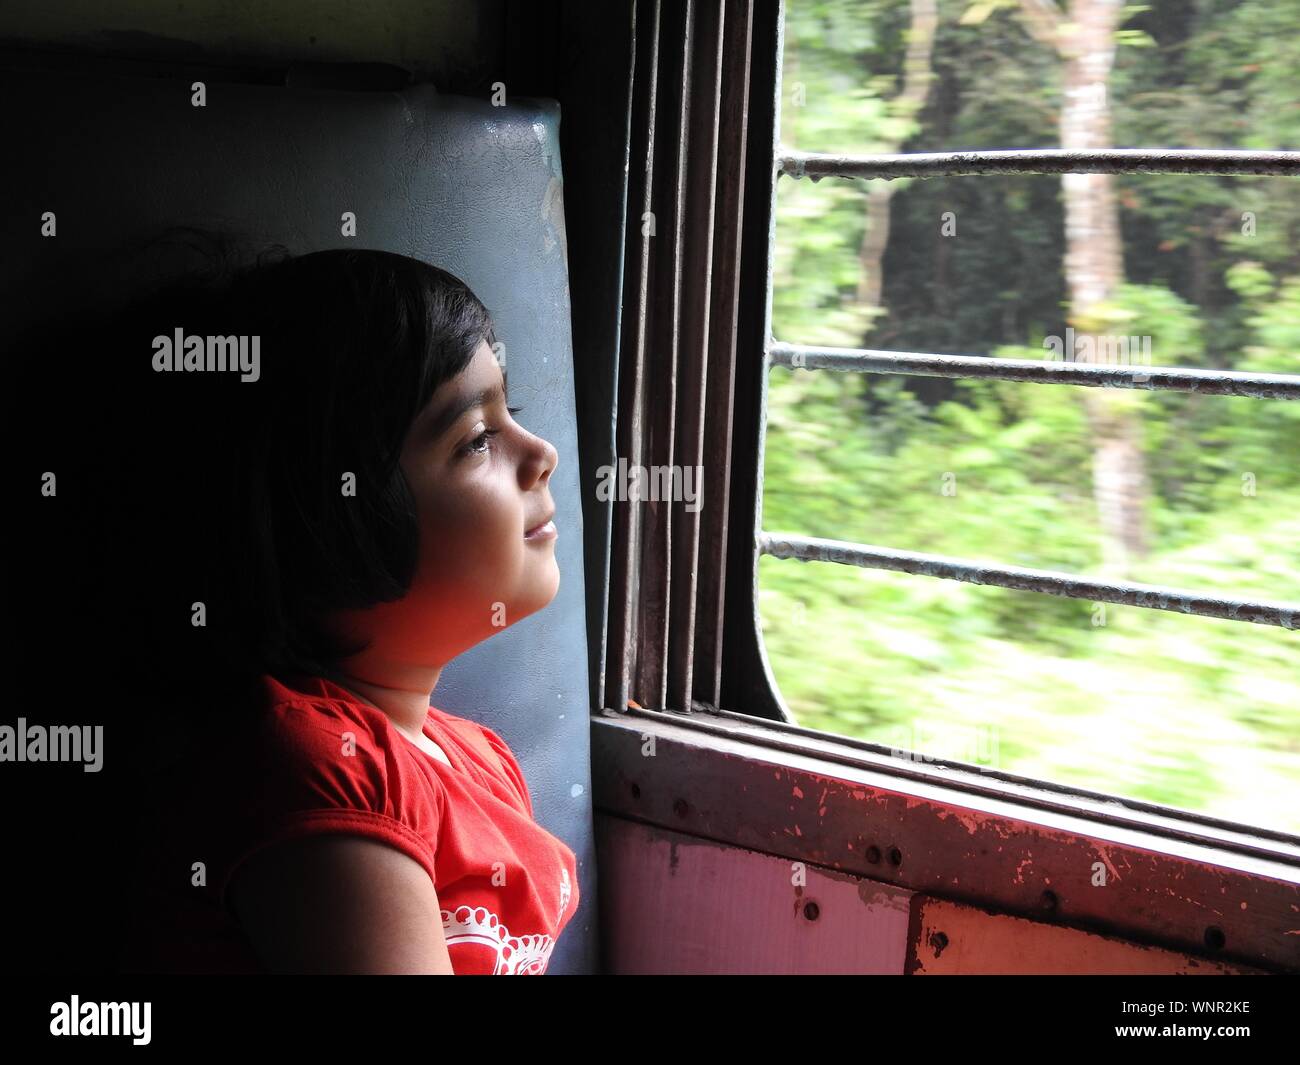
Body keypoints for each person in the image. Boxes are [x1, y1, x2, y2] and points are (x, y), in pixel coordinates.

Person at [96, 236, 577, 974]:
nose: (540, 449)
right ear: (330, 518)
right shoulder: (317, 776)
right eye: (477, 437)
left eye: (511, 408)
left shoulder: (482, 763)